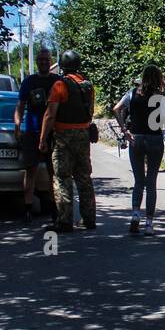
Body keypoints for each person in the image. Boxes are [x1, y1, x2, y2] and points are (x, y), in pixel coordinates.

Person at [40, 50, 97, 232]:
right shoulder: (88, 86)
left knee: (62, 178)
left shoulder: (59, 85)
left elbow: (50, 115)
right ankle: (89, 219)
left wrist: (42, 139)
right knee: (84, 178)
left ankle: (65, 220)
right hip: (83, 134)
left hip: (63, 136)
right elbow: (91, 111)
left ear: (62, 66)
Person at [114, 65, 165, 235]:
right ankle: (149, 224)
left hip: (136, 138)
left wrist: (124, 130)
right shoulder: (161, 97)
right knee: (151, 182)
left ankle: (136, 215)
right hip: (154, 139)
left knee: (139, 181)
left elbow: (116, 109)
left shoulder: (132, 93)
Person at [15, 47, 57, 223]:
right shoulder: (28, 82)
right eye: (41, 60)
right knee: (30, 171)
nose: (44, 62)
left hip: (53, 133)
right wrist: (17, 125)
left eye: (46, 59)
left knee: (53, 172)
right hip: (32, 132)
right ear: (37, 61)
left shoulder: (57, 81)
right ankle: (28, 209)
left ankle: (54, 209)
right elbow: (20, 105)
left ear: (51, 60)